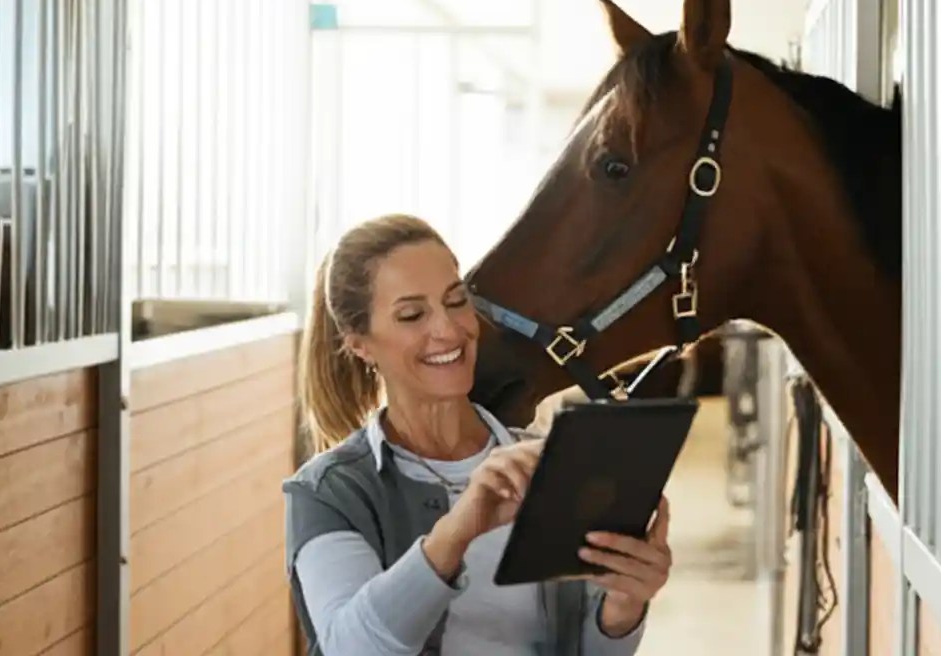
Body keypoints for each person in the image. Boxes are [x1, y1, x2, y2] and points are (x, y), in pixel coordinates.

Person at [283, 213, 672, 656]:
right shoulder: (328, 494)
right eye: (412, 315)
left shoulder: (553, 461)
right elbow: (351, 649)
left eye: (456, 300)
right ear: (359, 344)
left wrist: (623, 608)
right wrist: (457, 531)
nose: (448, 330)